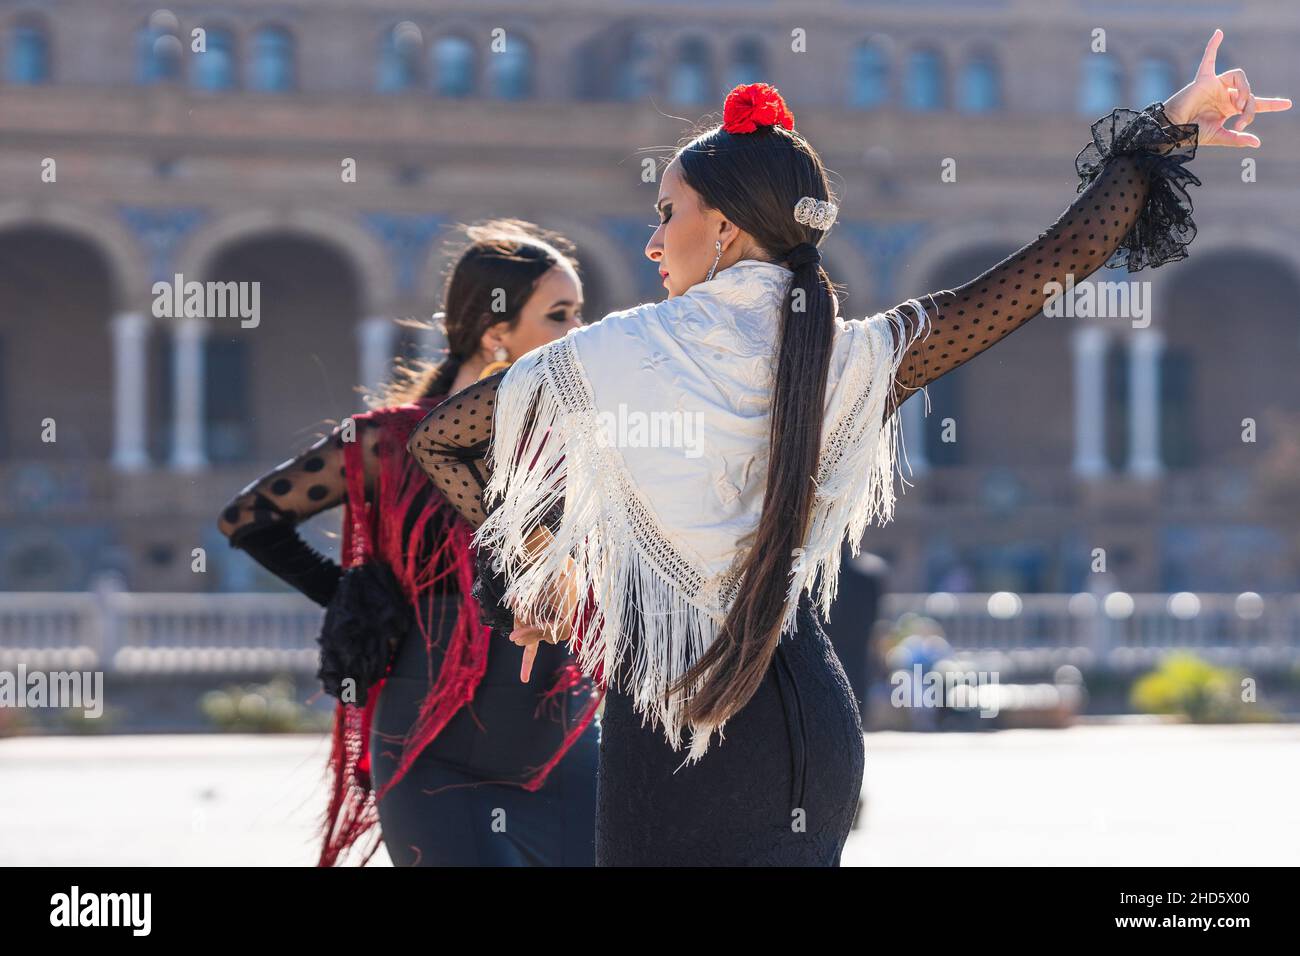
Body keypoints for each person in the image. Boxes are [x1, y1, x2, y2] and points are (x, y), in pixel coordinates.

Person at [408, 32, 1288, 865]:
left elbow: (441, 443)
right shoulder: (859, 354)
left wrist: (538, 572)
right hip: (807, 729)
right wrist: (1168, 127)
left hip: (663, 724)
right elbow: (1059, 259)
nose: (649, 239)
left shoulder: (602, 358)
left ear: (723, 227)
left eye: (665, 212)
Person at [218, 219, 601, 866]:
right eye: (560, 315)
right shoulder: (388, 443)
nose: (579, 334)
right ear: (495, 333)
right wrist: (358, 597)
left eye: (579, 313)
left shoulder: (577, 442)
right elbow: (250, 519)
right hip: (429, 750)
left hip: (563, 754)